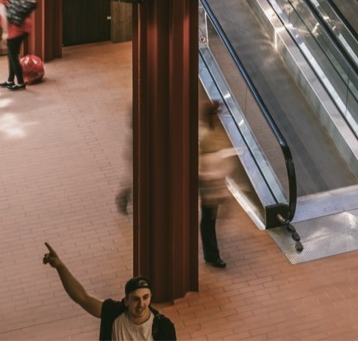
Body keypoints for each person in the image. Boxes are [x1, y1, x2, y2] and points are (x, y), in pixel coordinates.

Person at [42, 247, 178, 341]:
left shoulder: (162, 327)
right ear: (126, 301)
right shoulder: (113, 313)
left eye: (145, 297)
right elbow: (81, 297)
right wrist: (60, 266)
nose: (141, 304)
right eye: (136, 299)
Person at [198, 101, 237, 270]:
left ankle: (211, 254)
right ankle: (212, 255)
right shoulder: (205, 134)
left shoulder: (216, 131)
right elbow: (203, 163)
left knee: (210, 217)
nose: (219, 116)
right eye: (216, 113)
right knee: (208, 218)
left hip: (215, 181)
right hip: (208, 182)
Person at [0, 0, 30, 91]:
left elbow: (5, 18)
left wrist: (5, 33)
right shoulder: (5, 1)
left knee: (13, 57)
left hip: (16, 32)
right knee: (11, 56)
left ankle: (21, 83)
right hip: (20, 30)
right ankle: (10, 80)